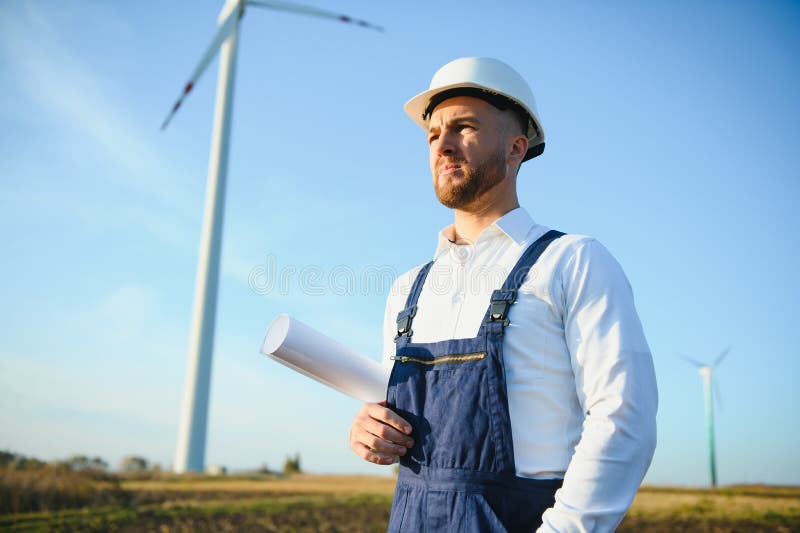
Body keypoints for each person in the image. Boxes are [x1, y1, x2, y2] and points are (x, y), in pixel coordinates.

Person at [349, 57, 658, 532]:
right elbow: (395, 423)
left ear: (516, 149)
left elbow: (624, 418)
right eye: (433, 135)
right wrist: (372, 431)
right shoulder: (406, 290)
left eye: (464, 127)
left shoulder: (573, 261)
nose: (443, 145)